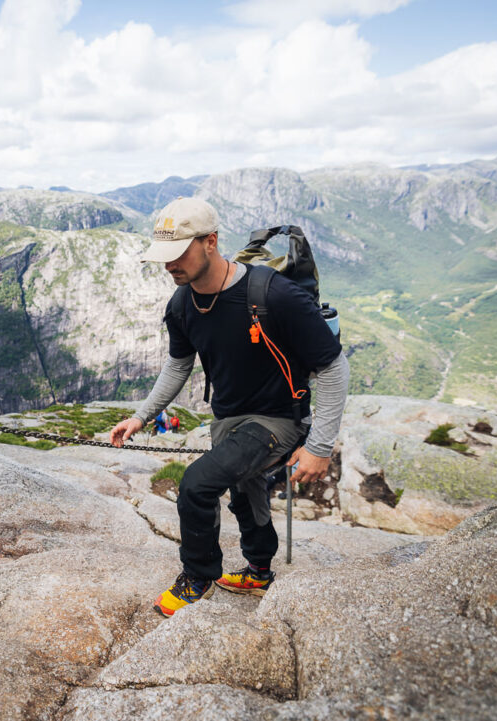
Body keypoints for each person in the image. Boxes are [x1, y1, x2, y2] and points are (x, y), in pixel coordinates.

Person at [109, 197, 349, 617]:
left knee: (198, 484)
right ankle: (258, 572)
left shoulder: (275, 295)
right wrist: (141, 416)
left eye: (177, 254)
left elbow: (332, 367)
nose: (169, 267)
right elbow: (178, 365)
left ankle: (197, 577)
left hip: (280, 419)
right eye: (163, 257)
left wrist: (320, 446)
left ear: (210, 242)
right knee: (245, 493)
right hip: (230, 419)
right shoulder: (183, 303)